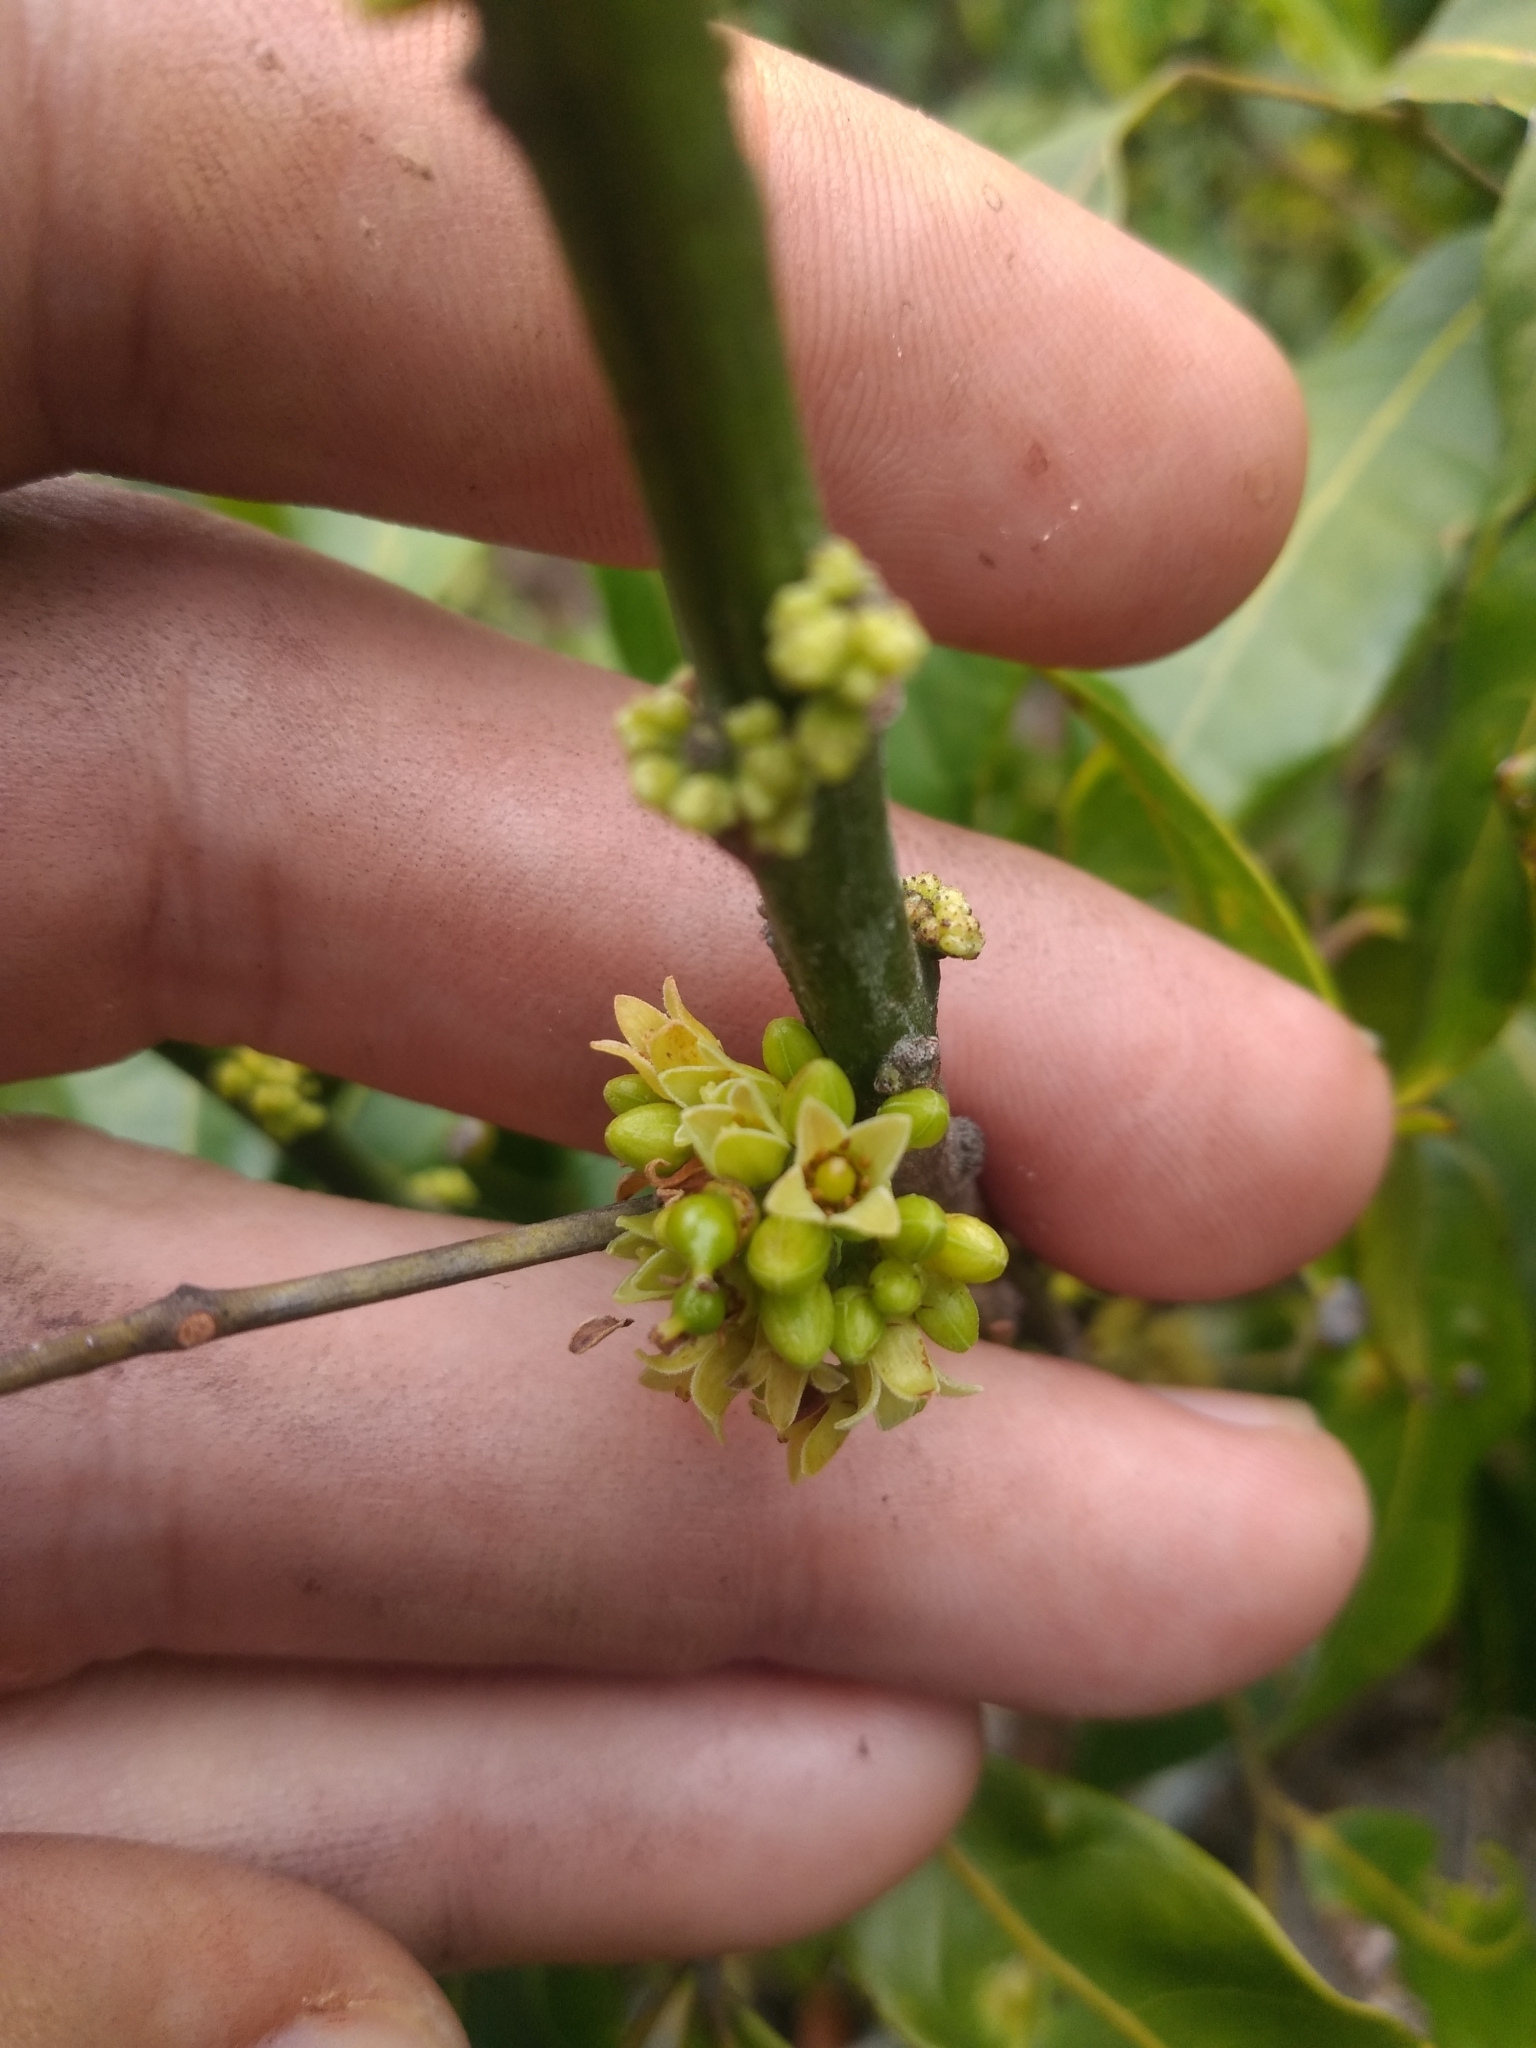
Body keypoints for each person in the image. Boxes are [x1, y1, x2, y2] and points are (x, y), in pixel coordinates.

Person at [0, 3, 1392, 2042]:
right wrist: (819, 1192)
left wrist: (832, 1189)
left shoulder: (820, 1204)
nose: (830, 1182)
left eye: (823, 1175)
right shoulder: (788, 1201)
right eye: (824, 1173)